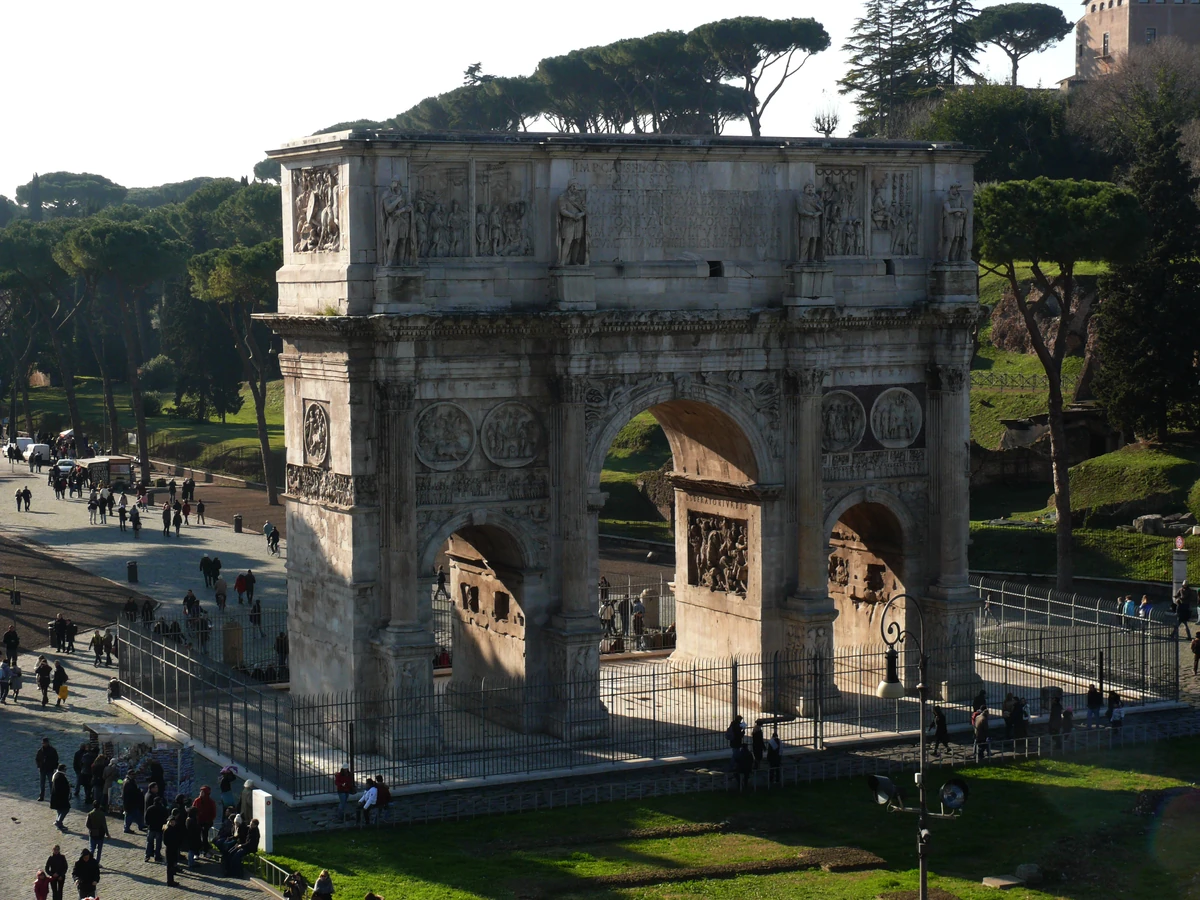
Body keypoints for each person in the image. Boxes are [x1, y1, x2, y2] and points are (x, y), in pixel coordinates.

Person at [163, 811, 185, 886]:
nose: (173, 823)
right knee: (170, 866)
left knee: (172, 865)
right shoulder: (167, 830)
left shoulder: (175, 828)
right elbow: (165, 841)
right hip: (170, 849)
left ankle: (171, 880)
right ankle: (170, 881)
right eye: (171, 822)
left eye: (173, 822)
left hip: (174, 849)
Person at [145, 788, 168, 862]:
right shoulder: (163, 809)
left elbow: (146, 818)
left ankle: (147, 855)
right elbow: (165, 819)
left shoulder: (150, 808)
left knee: (149, 842)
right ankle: (157, 856)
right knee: (158, 844)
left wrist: (148, 824)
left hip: (151, 828)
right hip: (159, 829)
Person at [50, 765, 72, 830]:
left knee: (59, 810)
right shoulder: (60, 776)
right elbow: (62, 787)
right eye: (65, 769)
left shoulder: (56, 775)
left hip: (56, 797)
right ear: (62, 769)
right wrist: (68, 786)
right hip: (61, 797)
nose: (66, 770)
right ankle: (58, 822)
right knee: (65, 809)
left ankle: (59, 823)